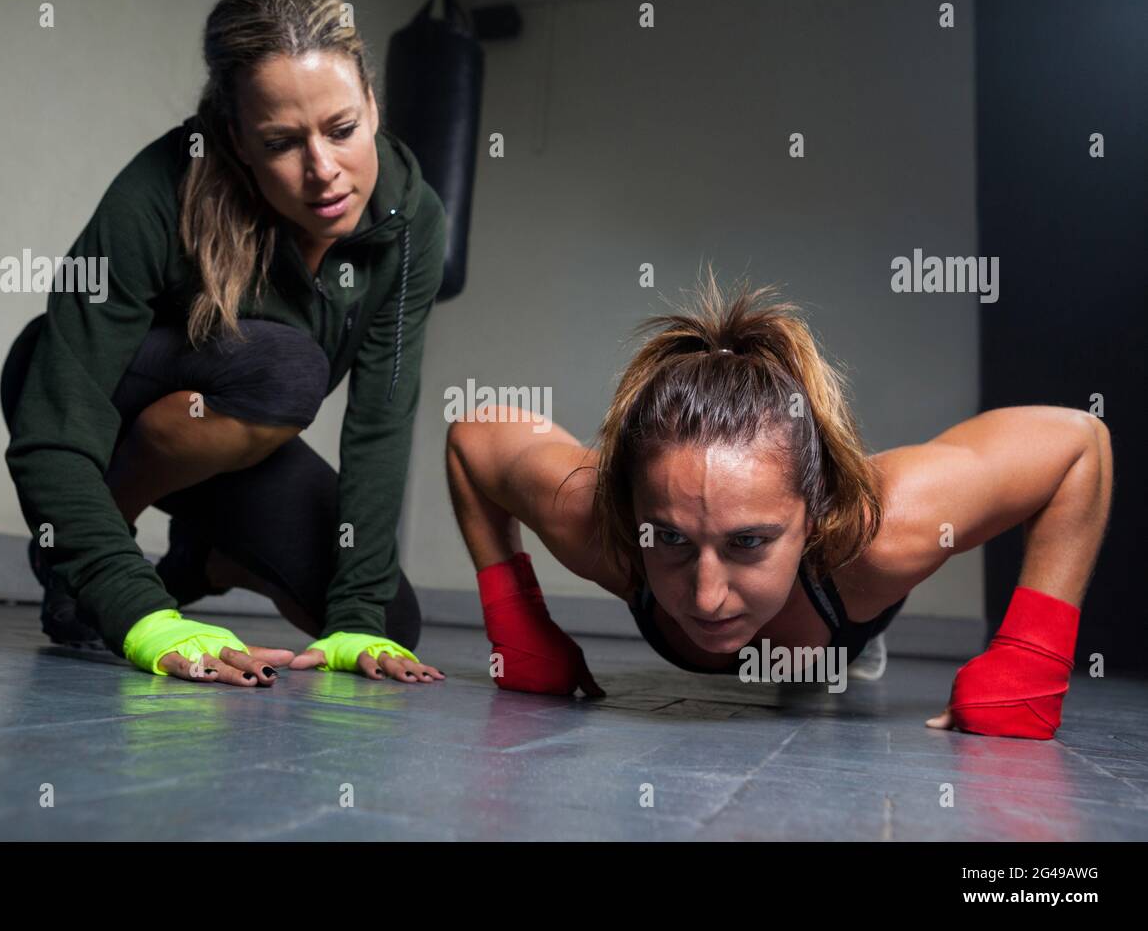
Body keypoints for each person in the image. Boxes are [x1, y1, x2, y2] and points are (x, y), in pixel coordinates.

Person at [0, 0, 446, 686]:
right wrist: (137, 612)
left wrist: (356, 610)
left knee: (389, 624)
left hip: (233, 436)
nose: (324, 172)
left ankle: (203, 562)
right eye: (281, 142)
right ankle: (84, 549)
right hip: (98, 402)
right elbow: (52, 429)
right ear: (237, 140)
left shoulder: (412, 221)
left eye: (342, 129)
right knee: (286, 369)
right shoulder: (157, 190)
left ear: (372, 103)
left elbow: (380, 421)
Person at [445, 272, 1113, 739]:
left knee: (827, 650)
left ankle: (846, 646)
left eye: (749, 543)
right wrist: (519, 626)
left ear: (817, 515)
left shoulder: (882, 535)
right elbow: (471, 438)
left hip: (840, 620)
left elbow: (1079, 443)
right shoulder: (601, 524)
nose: (706, 598)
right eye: (672, 541)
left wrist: (1032, 655)